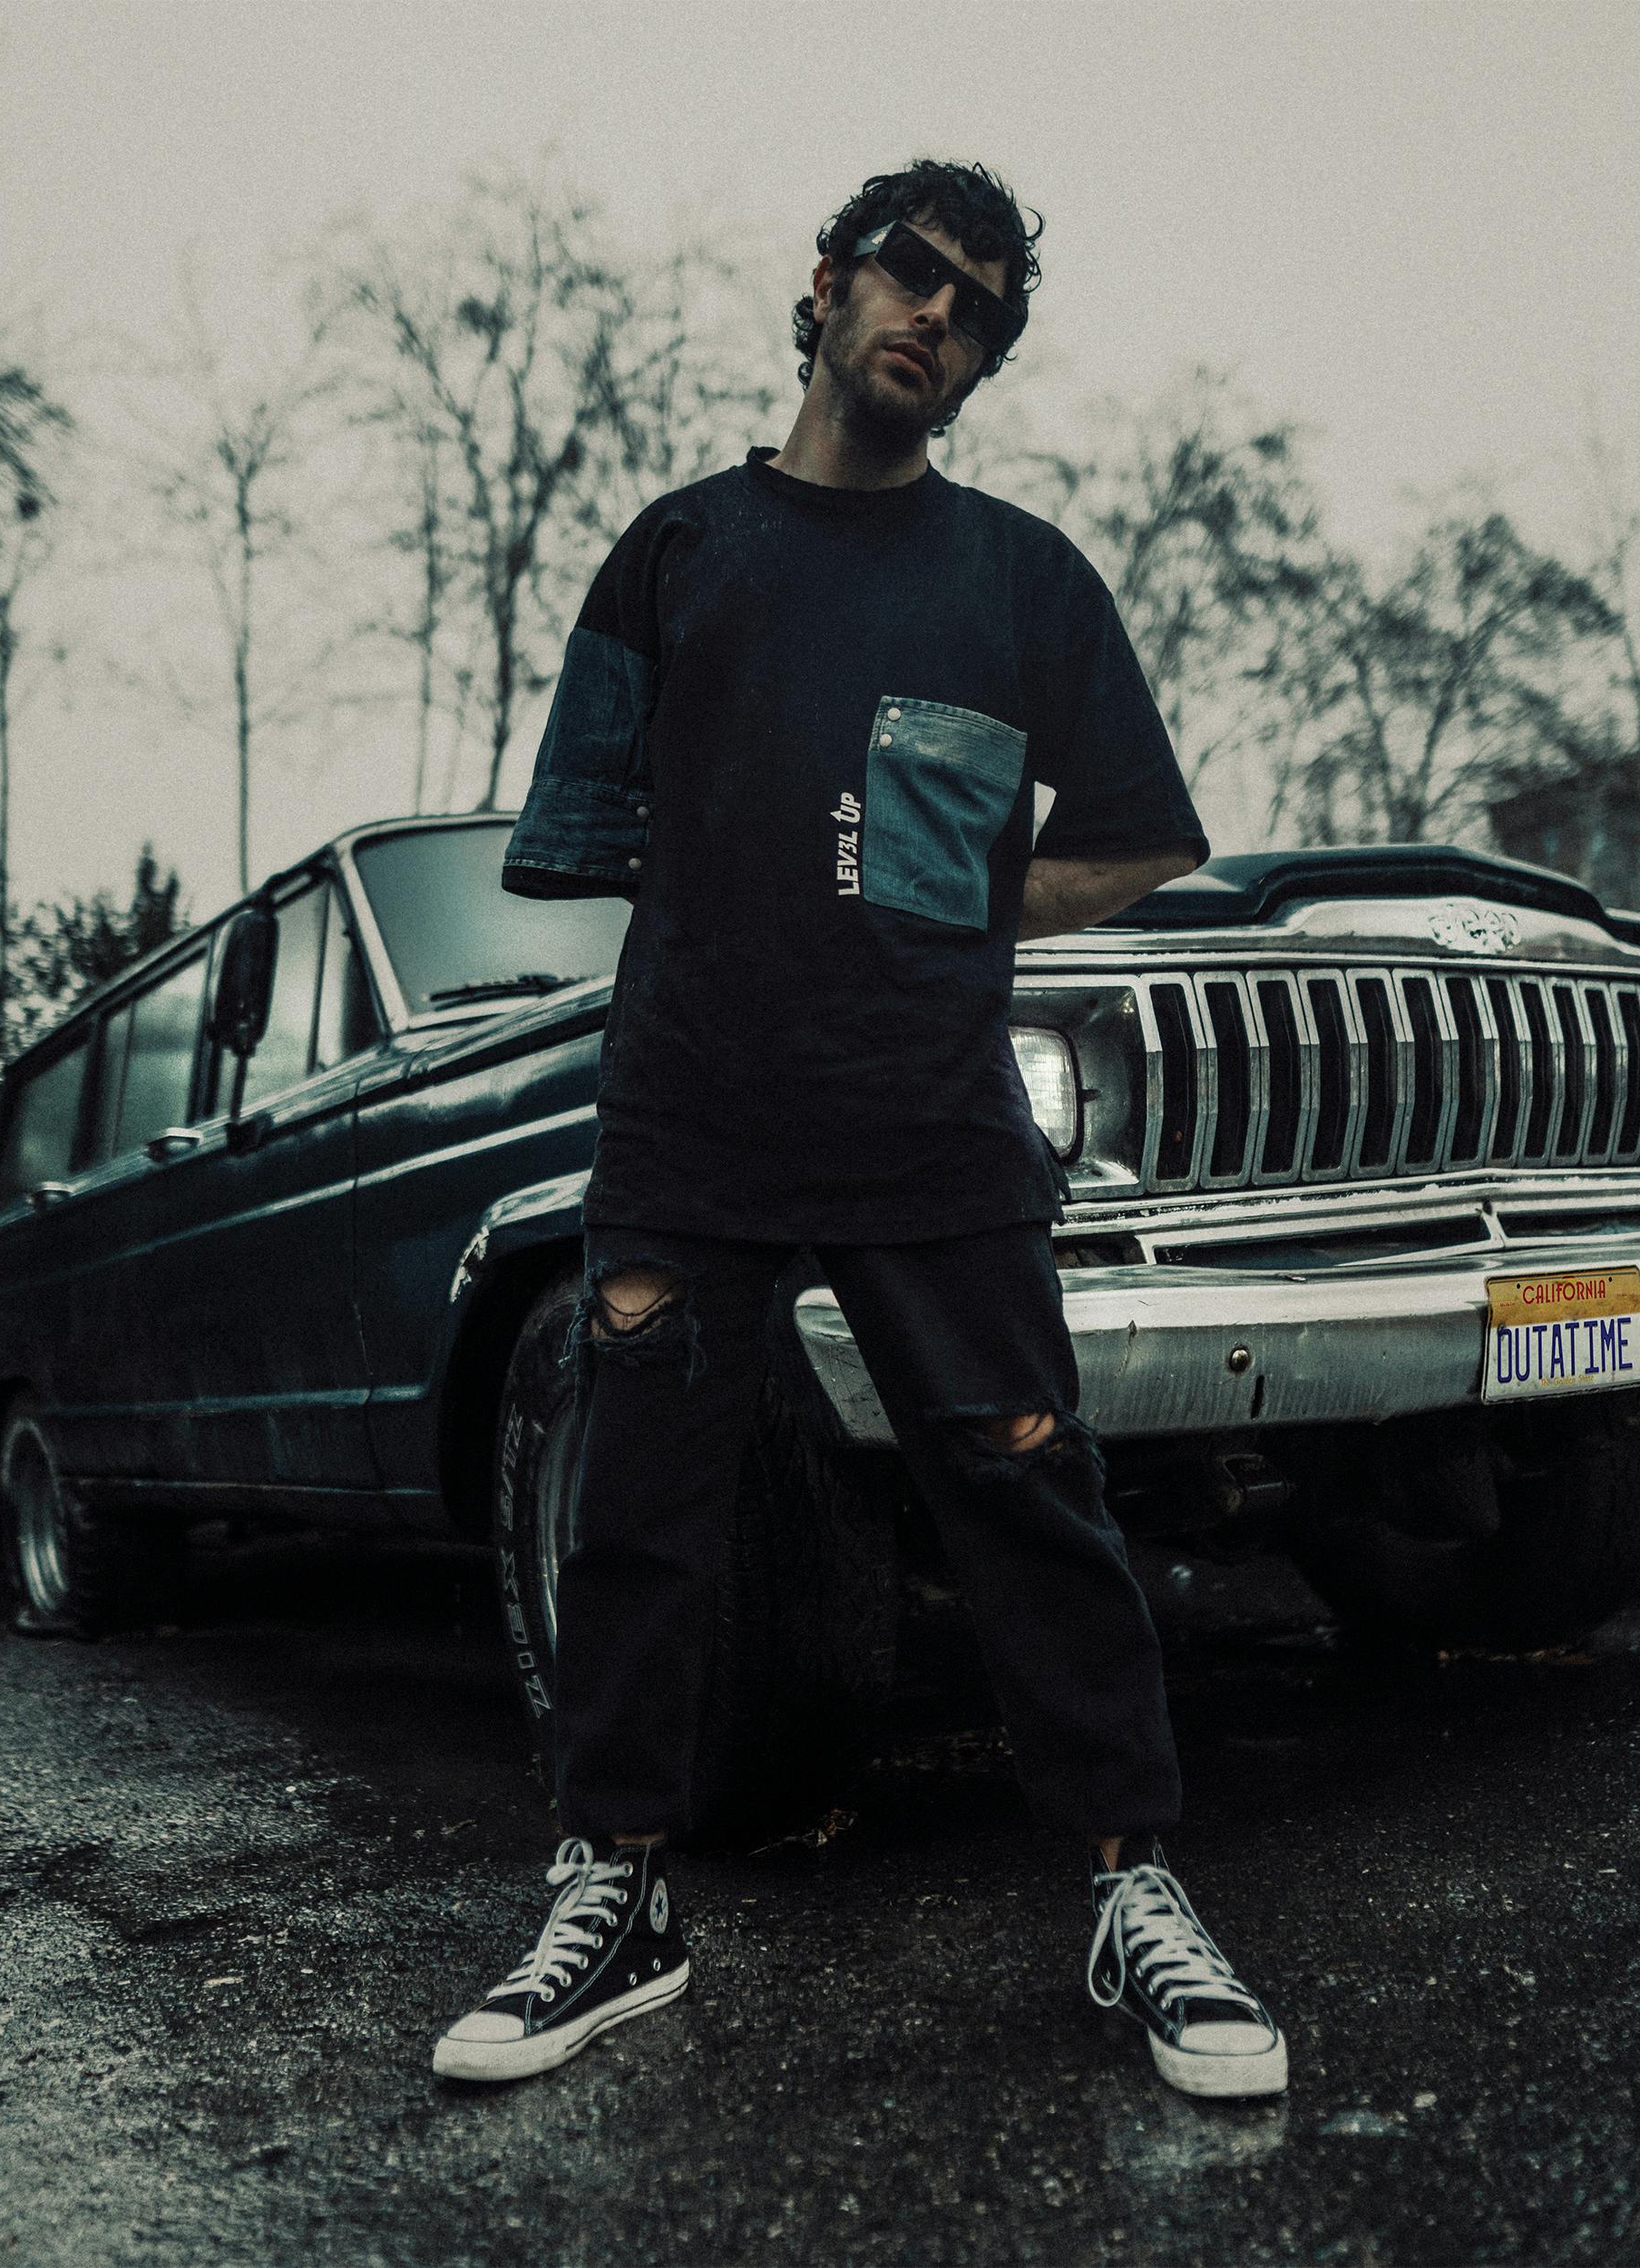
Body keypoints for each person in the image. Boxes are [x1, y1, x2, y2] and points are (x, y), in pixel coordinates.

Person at [433, 159, 1287, 2101]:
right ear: (825, 283)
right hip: (691, 1109)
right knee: (644, 1514)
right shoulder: (678, 551)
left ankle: (1133, 1888)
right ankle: (615, 1890)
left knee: (1027, 1494)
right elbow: (581, 836)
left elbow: (1148, 832)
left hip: (929, 1118)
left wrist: (957, 892)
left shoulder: (1019, 575)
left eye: (986, 312)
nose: (947, 322)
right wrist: (787, 874)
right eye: (923, 278)